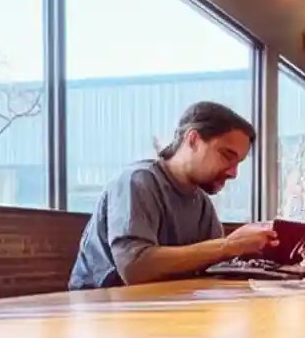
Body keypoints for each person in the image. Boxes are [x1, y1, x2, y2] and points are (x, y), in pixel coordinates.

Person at [69, 101, 278, 290]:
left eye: (238, 163)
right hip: (101, 311)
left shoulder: (201, 202)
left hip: (159, 307)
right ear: (193, 140)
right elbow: (134, 267)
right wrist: (230, 245)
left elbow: (214, 264)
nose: (233, 173)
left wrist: (257, 254)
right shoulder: (138, 182)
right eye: (226, 156)